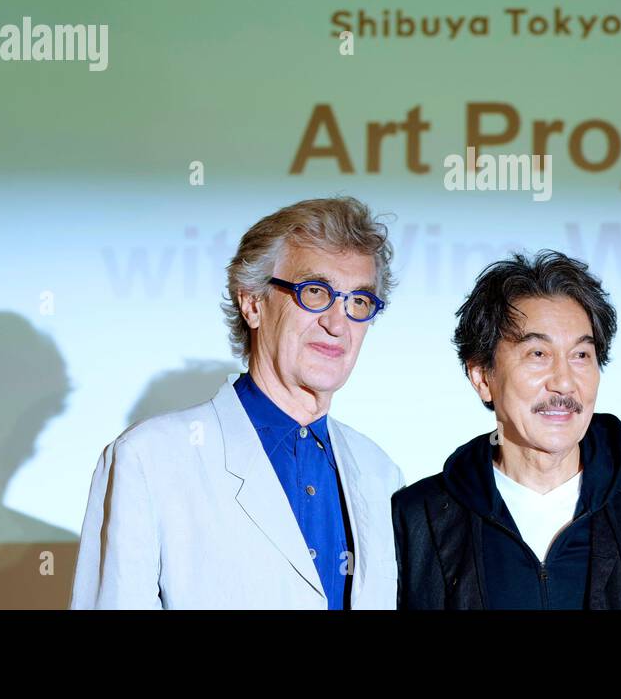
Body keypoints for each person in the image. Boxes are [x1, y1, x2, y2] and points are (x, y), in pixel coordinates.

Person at [72, 196, 402, 608]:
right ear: (253, 303)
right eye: (315, 292)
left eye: (358, 302)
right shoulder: (148, 460)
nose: (338, 324)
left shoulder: (380, 475)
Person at [393, 250, 621, 609]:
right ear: (482, 377)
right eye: (538, 354)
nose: (564, 383)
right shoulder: (419, 517)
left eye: (581, 356)